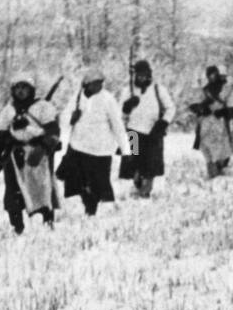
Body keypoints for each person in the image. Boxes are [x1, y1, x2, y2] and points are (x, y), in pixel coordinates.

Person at [0, 71, 61, 233]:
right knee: (13, 194)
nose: (20, 91)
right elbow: (1, 138)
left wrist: (42, 148)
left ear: (31, 89)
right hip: (15, 156)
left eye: (24, 87)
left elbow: (53, 133)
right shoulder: (9, 111)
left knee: (43, 191)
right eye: (17, 87)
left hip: (38, 157)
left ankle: (48, 224)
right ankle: (17, 228)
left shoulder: (43, 107)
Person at [56, 67, 127, 216]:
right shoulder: (77, 97)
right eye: (94, 83)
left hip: (101, 150)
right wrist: (71, 118)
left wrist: (127, 149)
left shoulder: (108, 99)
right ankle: (89, 209)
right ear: (86, 84)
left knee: (101, 184)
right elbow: (64, 119)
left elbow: (118, 125)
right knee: (80, 184)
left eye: (100, 83)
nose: (98, 86)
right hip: (78, 147)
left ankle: (110, 212)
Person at [118, 59, 174, 198]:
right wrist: (126, 107)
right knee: (132, 163)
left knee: (151, 163)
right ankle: (137, 182)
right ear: (135, 75)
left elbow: (170, 108)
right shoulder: (128, 91)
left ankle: (146, 190)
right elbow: (119, 113)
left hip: (153, 131)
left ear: (149, 74)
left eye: (144, 74)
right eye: (139, 74)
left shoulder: (158, 89)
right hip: (133, 131)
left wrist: (164, 122)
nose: (141, 77)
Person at [190, 65, 233, 178]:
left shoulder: (227, 88)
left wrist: (226, 112)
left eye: (214, 74)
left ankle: (220, 168)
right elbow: (194, 104)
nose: (212, 77)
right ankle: (212, 170)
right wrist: (202, 108)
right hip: (206, 120)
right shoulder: (205, 89)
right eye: (210, 75)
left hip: (222, 121)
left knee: (224, 146)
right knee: (206, 144)